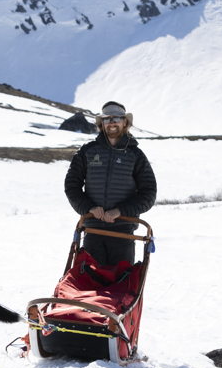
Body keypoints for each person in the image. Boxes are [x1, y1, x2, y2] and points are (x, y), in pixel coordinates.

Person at [64, 101, 157, 266]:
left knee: (120, 286)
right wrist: (89, 208)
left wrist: (120, 211)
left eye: (117, 119)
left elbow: (148, 193)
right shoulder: (87, 151)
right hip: (92, 230)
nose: (112, 123)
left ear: (125, 122)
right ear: (102, 123)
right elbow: (71, 186)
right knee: (90, 285)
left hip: (123, 233)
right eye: (107, 119)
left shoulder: (135, 155)